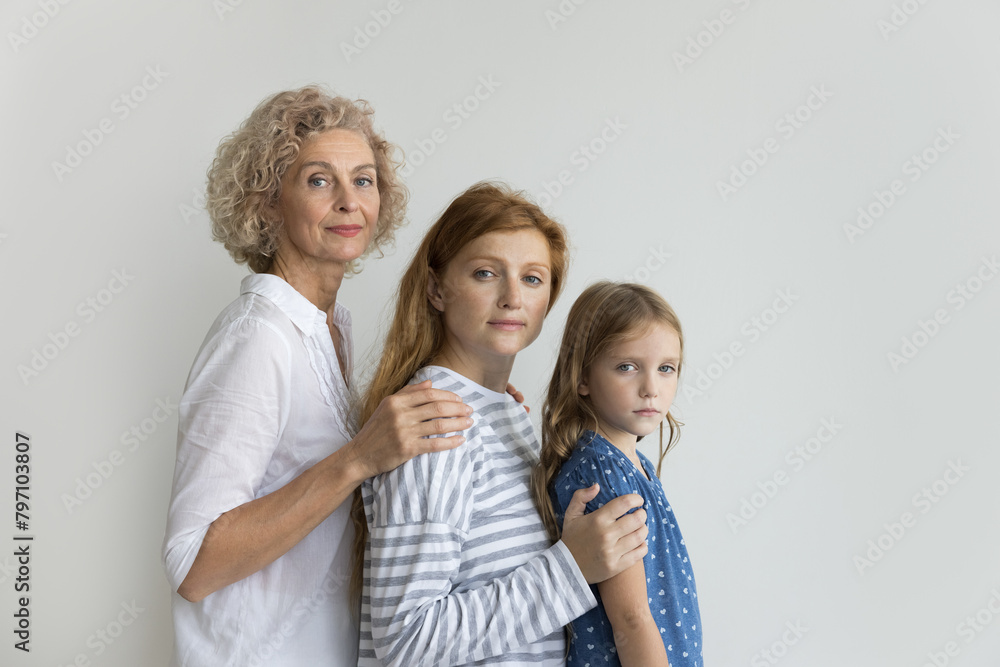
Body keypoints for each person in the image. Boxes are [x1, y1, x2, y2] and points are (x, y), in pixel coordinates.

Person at [161, 86, 479, 667]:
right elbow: (194, 564)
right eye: (318, 180)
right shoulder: (257, 336)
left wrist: (471, 400)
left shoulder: (331, 329)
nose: (348, 201)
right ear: (267, 202)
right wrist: (357, 458)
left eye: (363, 180)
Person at [354, 182, 651, 666]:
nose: (513, 297)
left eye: (533, 278)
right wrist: (571, 568)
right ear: (436, 289)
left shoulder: (502, 413)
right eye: (486, 273)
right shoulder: (436, 423)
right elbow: (405, 642)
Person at [533, 281, 703, 666]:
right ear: (582, 377)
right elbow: (631, 619)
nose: (651, 388)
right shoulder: (601, 472)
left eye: (666, 368)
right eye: (627, 367)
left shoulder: (635, 465)